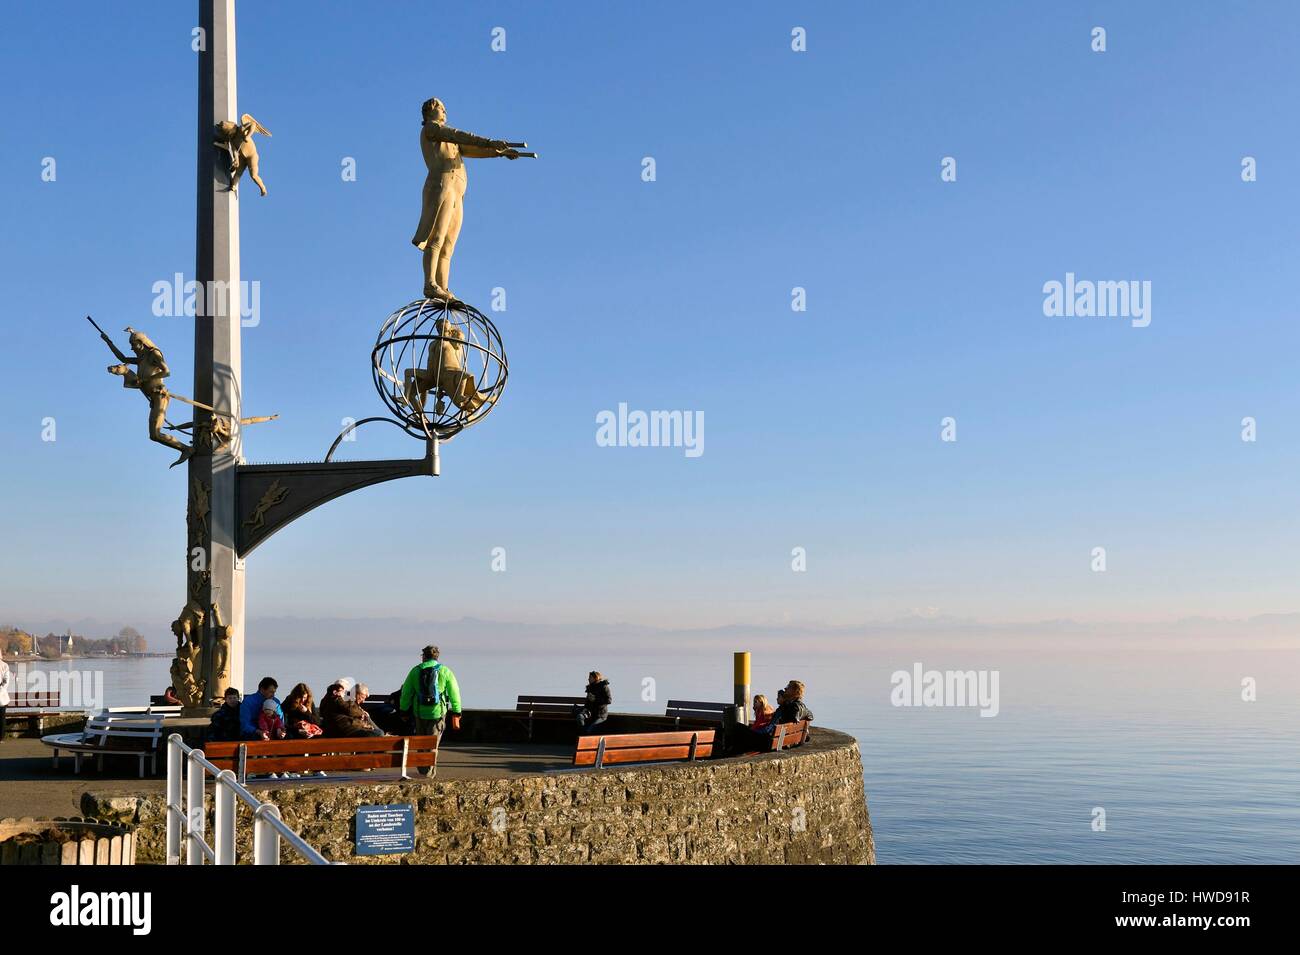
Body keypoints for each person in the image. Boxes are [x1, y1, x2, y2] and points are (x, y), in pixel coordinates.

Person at [410, 97, 523, 300]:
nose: (444, 112)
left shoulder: (451, 143)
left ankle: (443, 287)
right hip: (441, 185)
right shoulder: (431, 130)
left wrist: (499, 151)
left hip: (456, 191)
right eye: (441, 108)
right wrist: (489, 142)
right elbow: (458, 136)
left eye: (445, 109)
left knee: (448, 243)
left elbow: (472, 149)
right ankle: (430, 284)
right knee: (436, 237)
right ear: (429, 111)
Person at [399, 645, 463, 775]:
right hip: (437, 713)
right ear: (436, 656)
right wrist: (457, 711)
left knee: (421, 743)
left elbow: (406, 693)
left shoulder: (415, 671)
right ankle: (430, 774)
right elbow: (454, 692)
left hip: (419, 712)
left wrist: (404, 710)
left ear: (423, 656)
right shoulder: (445, 671)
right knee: (433, 744)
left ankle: (423, 770)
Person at [0, 656, 10, 742]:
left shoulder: (4, 666)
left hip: (1, 697)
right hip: (2, 697)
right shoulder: (5, 665)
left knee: (1, 718)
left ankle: (1, 736)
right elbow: (6, 682)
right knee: (2, 718)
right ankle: (1, 737)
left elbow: (6, 682)